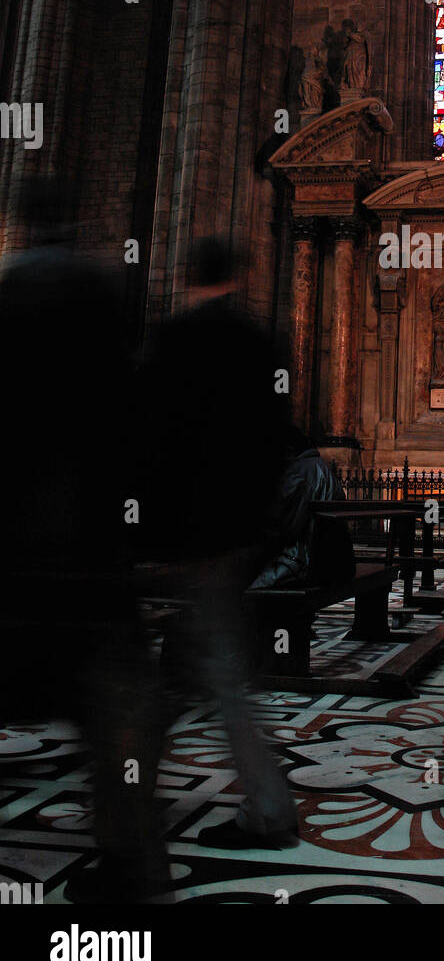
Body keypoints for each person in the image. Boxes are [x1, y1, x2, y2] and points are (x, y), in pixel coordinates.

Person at [0, 176, 167, 902]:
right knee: (114, 713)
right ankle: (131, 862)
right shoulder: (102, 294)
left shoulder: (9, 294)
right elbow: (130, 414)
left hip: (17, 539)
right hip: (93, 543)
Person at [139, 237, 298, 850]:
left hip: (189, 537)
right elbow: (273, 438)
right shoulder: (259, 343)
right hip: (235, 534)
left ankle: (265, 807)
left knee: (206, 673)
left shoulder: (179, 338)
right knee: (198, 669)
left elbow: (153, 440)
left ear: (189, 276)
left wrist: (147, 527)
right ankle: (141, 792)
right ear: (239, 275)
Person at [249, 430, 353, 589]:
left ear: (289, 450)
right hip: (337, 560)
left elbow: (283, 528)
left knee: (241, 581)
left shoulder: (298, 472)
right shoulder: (321, 467)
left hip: (305, 562)